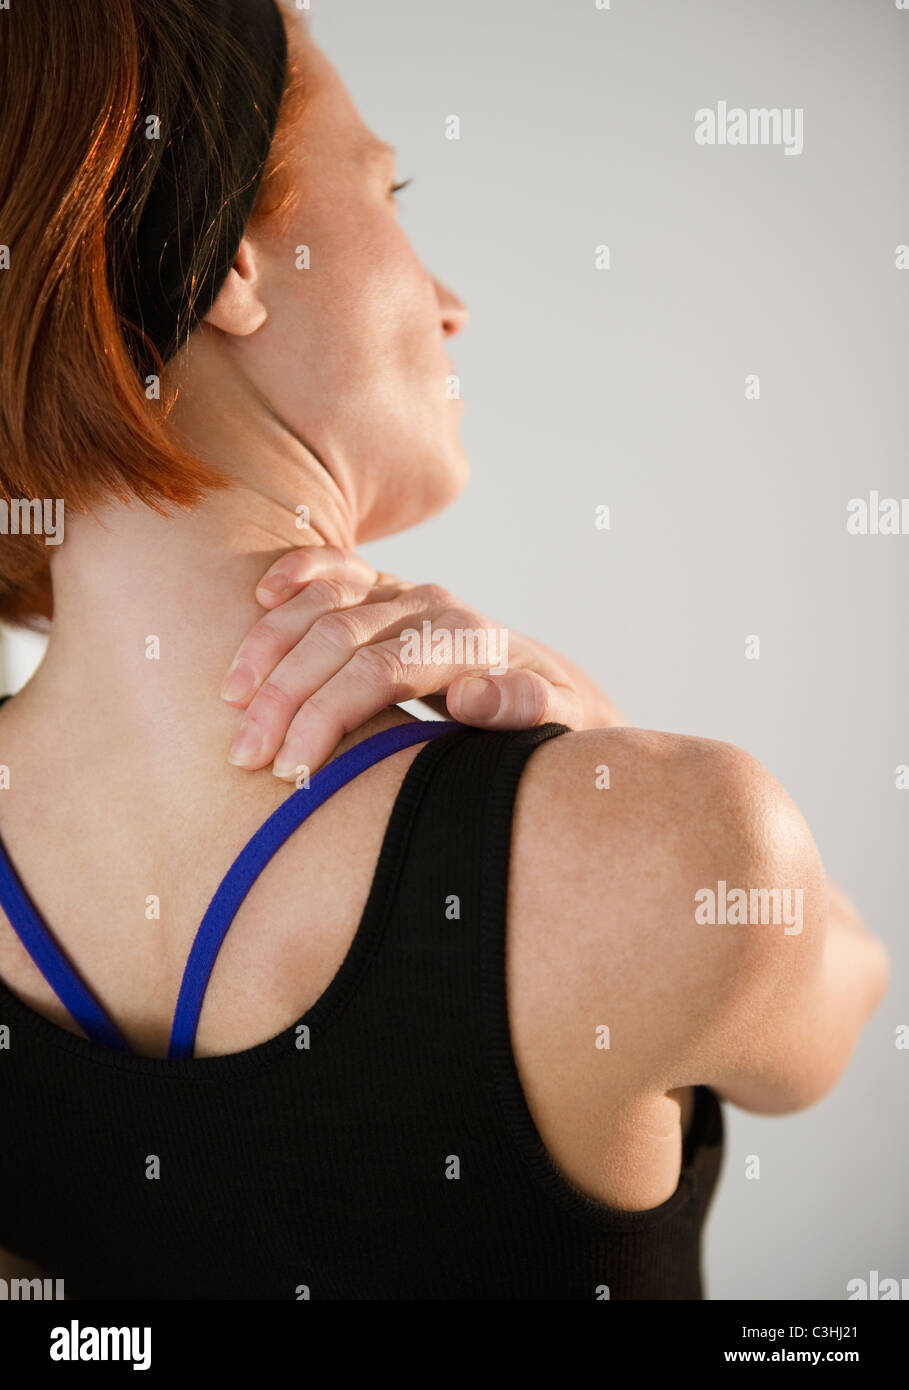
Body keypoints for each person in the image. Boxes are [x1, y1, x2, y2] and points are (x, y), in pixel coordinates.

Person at [0, 0, 889, 1300]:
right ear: (236, 257)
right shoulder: (664, 848)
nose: (451, 304)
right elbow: (842, 993)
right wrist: (590, 753)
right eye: (387, 190)